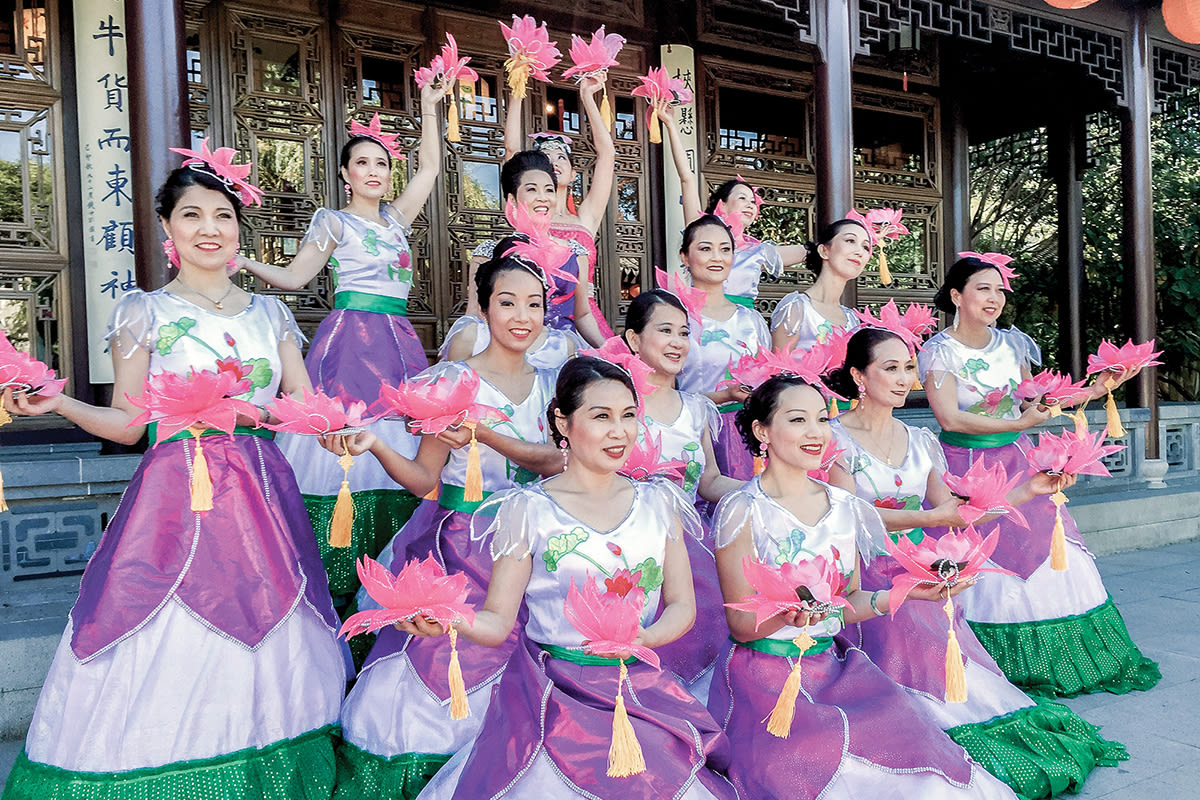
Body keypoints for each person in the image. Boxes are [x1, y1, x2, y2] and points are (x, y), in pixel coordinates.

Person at [1, 155, 346, 798]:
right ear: (167, 227)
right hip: (173, 496)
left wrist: (261, 411)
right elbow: (130, 426)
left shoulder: (271, 316)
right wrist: (62, 404)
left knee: (271, 623)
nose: (209, 228)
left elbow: (304, 405)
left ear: (241, 230)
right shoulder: (143, 312)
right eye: (192, 215)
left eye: (223, 215)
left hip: (261, 493)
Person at [413, 356, 739, 799]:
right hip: (556, 694)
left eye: (628, 416)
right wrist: (448, 620)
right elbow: (495, 622)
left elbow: (682, 604)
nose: (619, 431)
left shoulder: (660, 503)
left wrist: (644, 639)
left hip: (637, 685)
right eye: (601, 416)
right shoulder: (527, 510)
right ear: (563, 423)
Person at [827, 327, 1128, 799]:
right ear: (857, 376)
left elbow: (956, 516)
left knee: (968, 688)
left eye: (909, 367)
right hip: (859, 572)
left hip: (920, 567)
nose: (906, 378)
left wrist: (1028, 490)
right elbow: (849, 514)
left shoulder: (921, 439)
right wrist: (929, 516)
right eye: (890, 367)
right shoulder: (830, 439)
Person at [709, 374, 1017, 799]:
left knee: (923, 762)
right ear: (762, 431)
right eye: (798, 420)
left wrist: (907, 592)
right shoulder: (741, 510)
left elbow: (848, 602)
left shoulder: (845, 509)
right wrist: (788, 614)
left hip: (833, 666)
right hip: (764, 681)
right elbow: (742, 625)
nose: (816, 432)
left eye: (821, 418)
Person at [331, 243, 564, 798]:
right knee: (448, 651)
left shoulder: (558, 384)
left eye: (534, 305)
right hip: (464, 543)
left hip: (539, 542)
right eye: (507, 303)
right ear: (482, 309)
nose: (522, 317)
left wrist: (484, 434)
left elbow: (559, 461)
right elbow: (420, 478)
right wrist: (376, 449)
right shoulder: (451, 382)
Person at [236, 87, 444, 604]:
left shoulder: (397, 220)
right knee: (345, 437)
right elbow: (295, 277)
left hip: (399, 342)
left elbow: (432, 168)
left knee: (399, 437)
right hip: (352, 339)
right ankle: (334, 572)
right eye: (362, 163)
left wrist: (431, 106)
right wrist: (243, 265)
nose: (374, 171)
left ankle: (392, 568)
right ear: (346, 174)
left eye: (381, 163)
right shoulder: (333, 220)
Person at [919, 255, 1160, 698]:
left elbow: (1043, 401)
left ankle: (1065, 661)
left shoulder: (1014, 345)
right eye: (982, 289)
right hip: (961, 466)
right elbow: (949, 416)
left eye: (999, 290)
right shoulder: (939, 350)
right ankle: (978, 663)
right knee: (977, 554)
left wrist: (1103, 386)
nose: (994, 298)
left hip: (1018, 457)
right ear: (956, 295)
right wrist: (1017, 424)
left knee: (1047, 551)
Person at [619, 289, 743, 699]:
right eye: (665, 330)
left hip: (692, 547)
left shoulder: (696, 409)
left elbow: (707, 481)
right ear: (634, 339)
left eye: (684, 333)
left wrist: (757, 493)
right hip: (627, 548)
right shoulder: (618, 405)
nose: (676, 342)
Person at [444, 150, 607, 363]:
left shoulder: (576, 253)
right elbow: (475, 314)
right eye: (531, 189)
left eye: (549, 190)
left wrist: (608, 350)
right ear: (512, 198)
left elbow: (583, 315)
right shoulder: (489, 254)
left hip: (562, 354)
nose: (543, 197)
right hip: (506, 351)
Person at [655, 100, 807, 305]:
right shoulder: (700, 231)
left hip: (744, 328)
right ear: (722, 204)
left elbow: (813, 250)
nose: (750, 204)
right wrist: (670, 124)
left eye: (753, 201)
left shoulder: (759, 251)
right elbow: (687, 179)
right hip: (702, 321)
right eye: (742, 198)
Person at [504, 71, 616, 338]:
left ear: (574, 173)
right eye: (546, 157)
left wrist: (587, 96)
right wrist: (518, 85)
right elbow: (511, 155)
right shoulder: (525, 213)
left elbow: (607, 154)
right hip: (532, 315)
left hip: (583, 316)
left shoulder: (586, 216)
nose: (554, 162)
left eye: (561, 158)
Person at [675, 214, 770, 483]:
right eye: (705, 249)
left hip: (746, 437)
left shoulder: (751, 320)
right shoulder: (675, 317)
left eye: (725, 249)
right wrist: (724, 396)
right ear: (685, 256)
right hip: (691, 433)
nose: (717, 257)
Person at [770, 216, 869, 352]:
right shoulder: (796, 307)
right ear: (824, 251)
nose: (860, 252)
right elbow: (775, 367)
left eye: (866, 247)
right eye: (850, 240)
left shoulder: (852, 319)